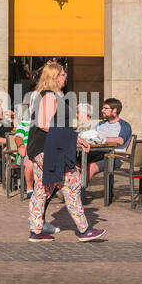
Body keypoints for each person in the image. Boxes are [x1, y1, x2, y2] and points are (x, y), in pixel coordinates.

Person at [27, 60, 105, 242]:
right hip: (50, 150)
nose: (65, 77)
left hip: (45, 149)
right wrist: (72, 138)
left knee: (42, 189)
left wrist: (76, 138)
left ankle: (36, 231)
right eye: (63, 74)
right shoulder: (49, 96)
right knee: (72, 185)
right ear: (55, 77)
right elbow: (44, 124)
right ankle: (84, 230)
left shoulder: (48, 96)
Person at [78, 98, 131, 189]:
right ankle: (71, 189)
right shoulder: (100, 124)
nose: (102, 110)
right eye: (103, 108)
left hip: (115, 156)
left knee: (91, 166)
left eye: (105, 108)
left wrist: (102, 139)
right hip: (97, 153)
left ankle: (77, 193)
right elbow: (91, 135)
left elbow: (120, 140)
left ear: (114, 110)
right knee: (73, 161)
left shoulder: (124, 125)